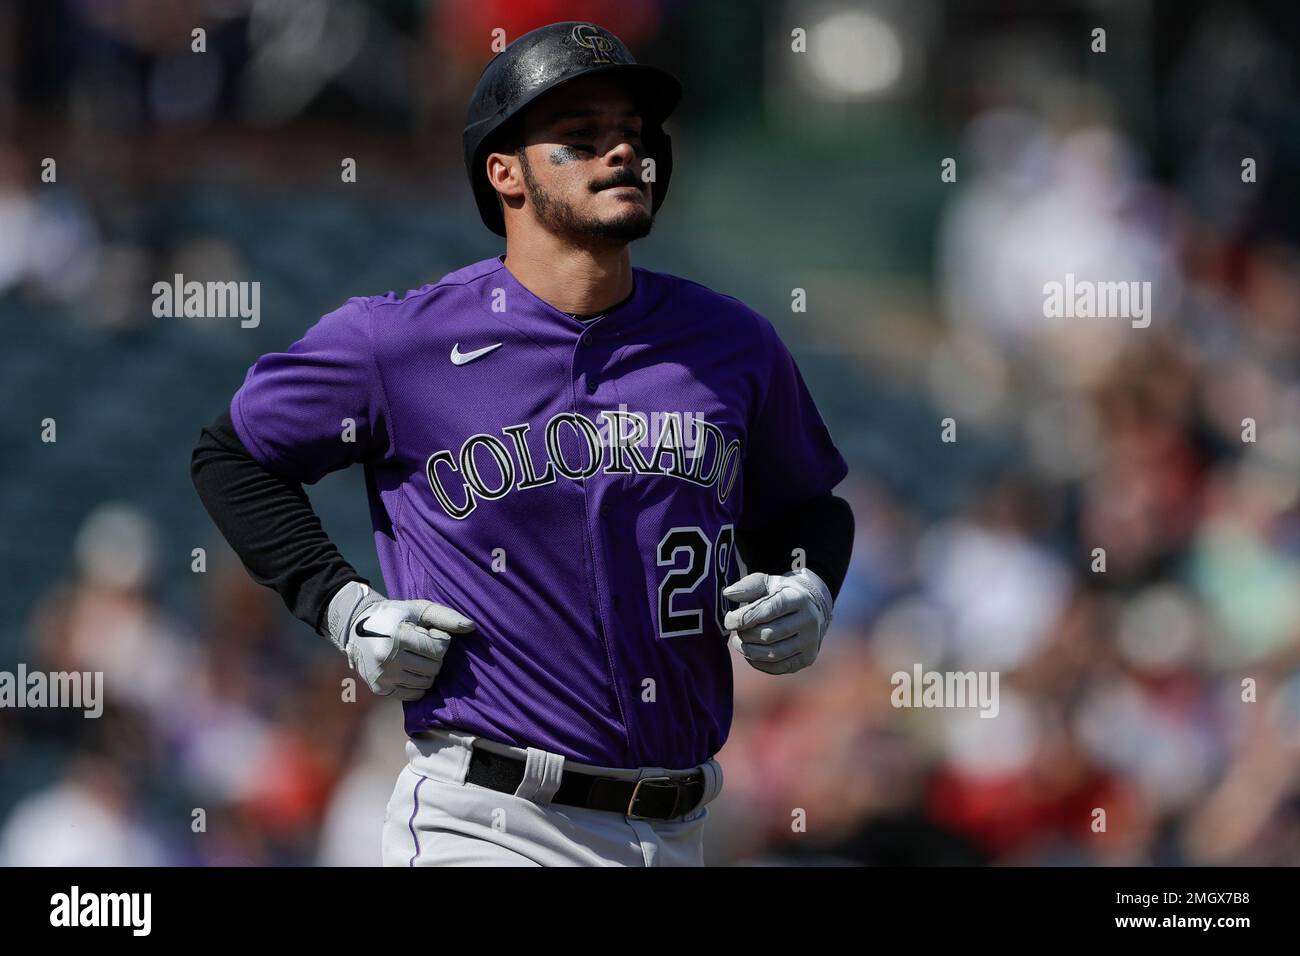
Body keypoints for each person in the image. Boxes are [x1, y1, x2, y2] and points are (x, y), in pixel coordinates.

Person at [191, 20, 854, 867]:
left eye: (631, 135)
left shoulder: (731, 344)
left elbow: (805, 506)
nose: (620, 152)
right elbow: (232, 454)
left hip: (684, 826)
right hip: (492, 817)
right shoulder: (399, 343)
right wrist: (344, 608)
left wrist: (810, 585)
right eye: (581, 139)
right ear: (503, 172)